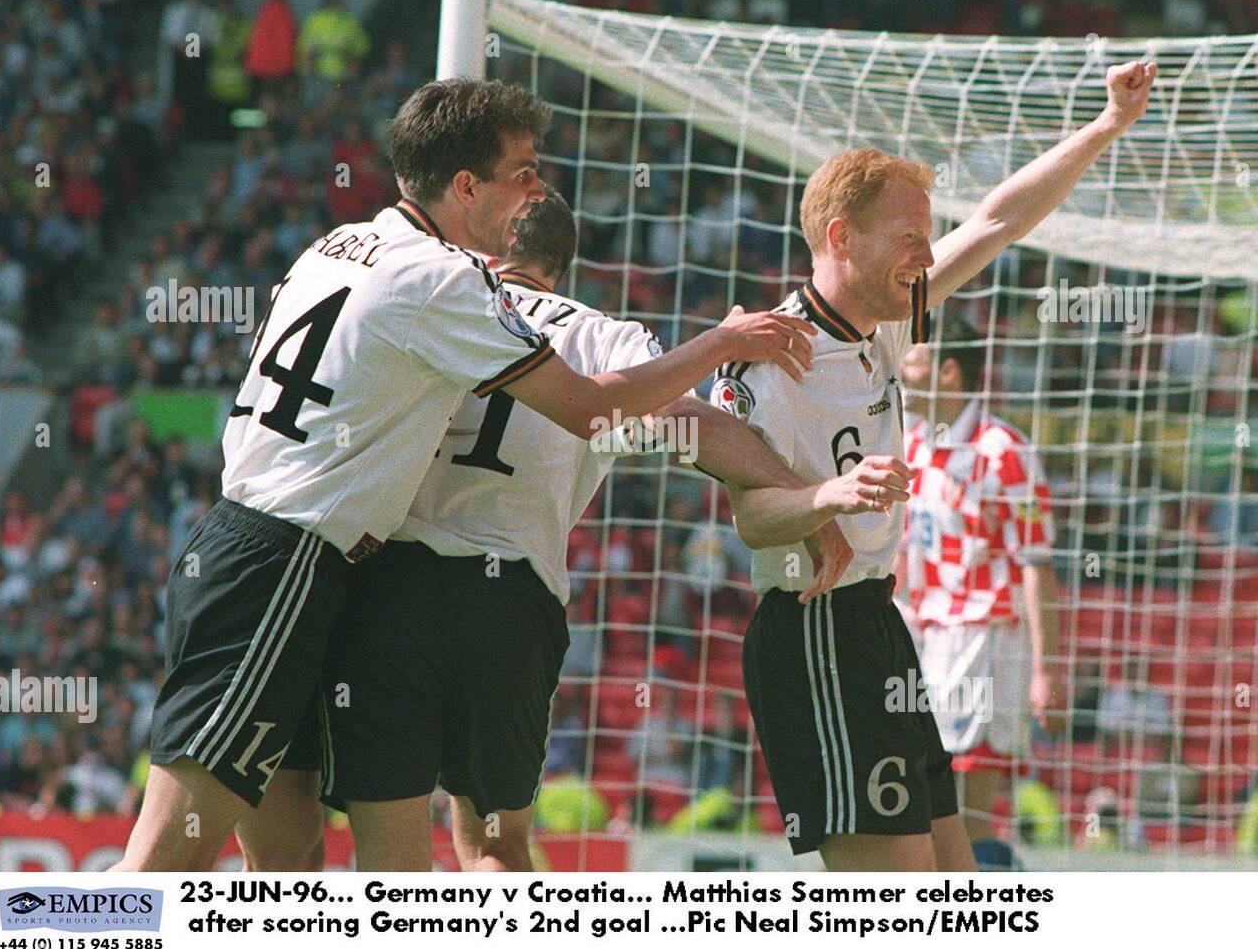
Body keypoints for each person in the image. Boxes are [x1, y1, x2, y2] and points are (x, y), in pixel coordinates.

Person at [114, 78, 814, 871]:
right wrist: (724, 346)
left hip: (299, 562)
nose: (535, 187)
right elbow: (591, 410)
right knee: (167, 859)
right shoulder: (446, 279)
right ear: (465, 185)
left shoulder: (333, 244)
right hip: (285, 561)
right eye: (521, 170)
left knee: (289, 855)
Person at [234, 188, 848, 871]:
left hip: (389, 589)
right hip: (508, 605)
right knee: (494, 843)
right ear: (563, 263)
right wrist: (805, 499)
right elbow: (692, 426)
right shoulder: (599, 335)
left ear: (486, 243)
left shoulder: (435, 298)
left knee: (390, 844)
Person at [710, 61, 1158, 871]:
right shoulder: (770, 357)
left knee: (958, 877)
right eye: (909, 237)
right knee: (899, 901)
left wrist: (1103, 129)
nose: (925, 255)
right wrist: (828, 495)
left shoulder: (882, 326)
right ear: (841, 237)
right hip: (817, 630)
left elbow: (995, 222)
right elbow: (751, 521)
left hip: (884, 627)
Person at [897, 318, 1063, 871]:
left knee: (964, 812)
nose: (902, 371)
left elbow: (1036, 565)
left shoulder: (1004, 451)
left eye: (914, 362)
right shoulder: (911, 445)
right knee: (925, 809)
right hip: (928, 638)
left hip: (988, 642)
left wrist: (1048, 670)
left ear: (949, 372)